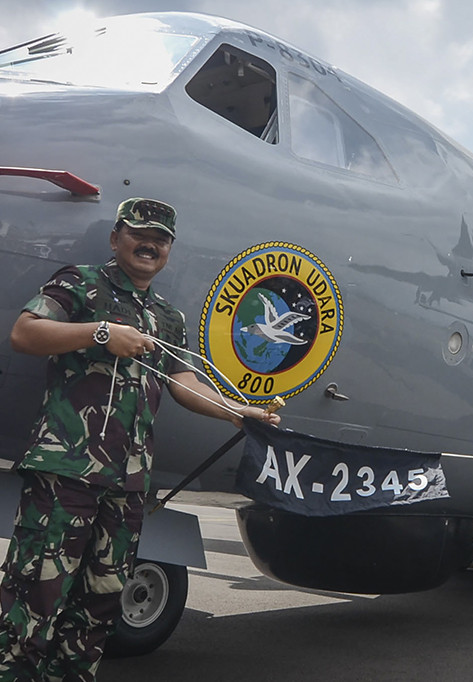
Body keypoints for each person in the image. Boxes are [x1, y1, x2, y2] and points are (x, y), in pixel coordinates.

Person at [0, 198, 281, 682]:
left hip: (128, 483)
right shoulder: (80, 283)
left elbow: (183, 384)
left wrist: (238, 413)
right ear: (116, 238)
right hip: (68, 470)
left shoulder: (168, 316)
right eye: (138, 233)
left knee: (100, 602)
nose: (150, 243)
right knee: (35, 594)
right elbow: (26, 333)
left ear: (169, 249)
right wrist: (102, 333)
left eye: (162, 238)